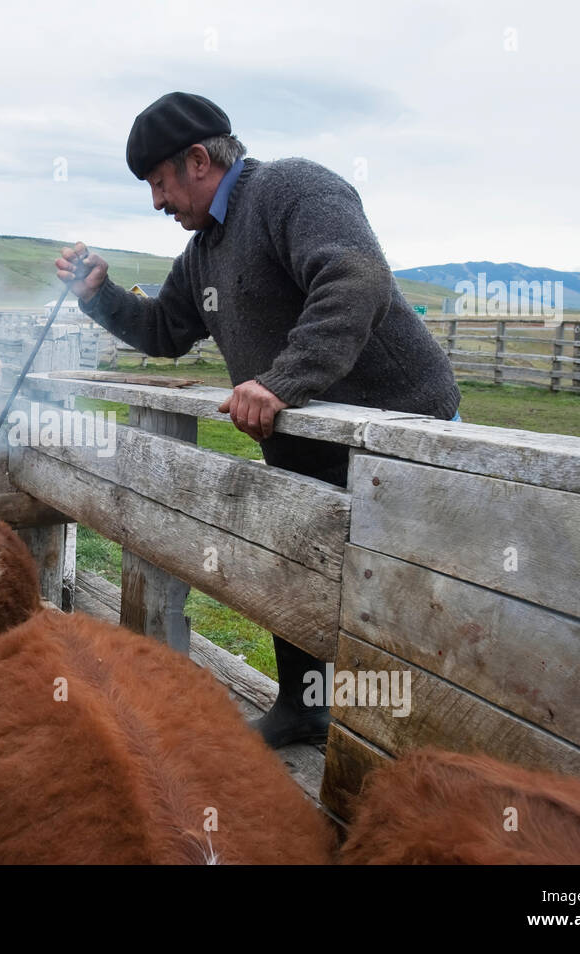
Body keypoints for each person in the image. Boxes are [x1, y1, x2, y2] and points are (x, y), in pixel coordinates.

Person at [55, 92, 461, 749]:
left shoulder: (291, 190)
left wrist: (282, 380)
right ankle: (307, 709)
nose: (157, 201)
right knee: (298, 568)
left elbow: (355, 278)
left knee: (406, 602)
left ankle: (422, 751)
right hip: (307, 444)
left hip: (403, 430)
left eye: (159, 182)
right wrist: (98, 297)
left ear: (196, 160)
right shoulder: (205, 251)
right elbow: (164, 329)